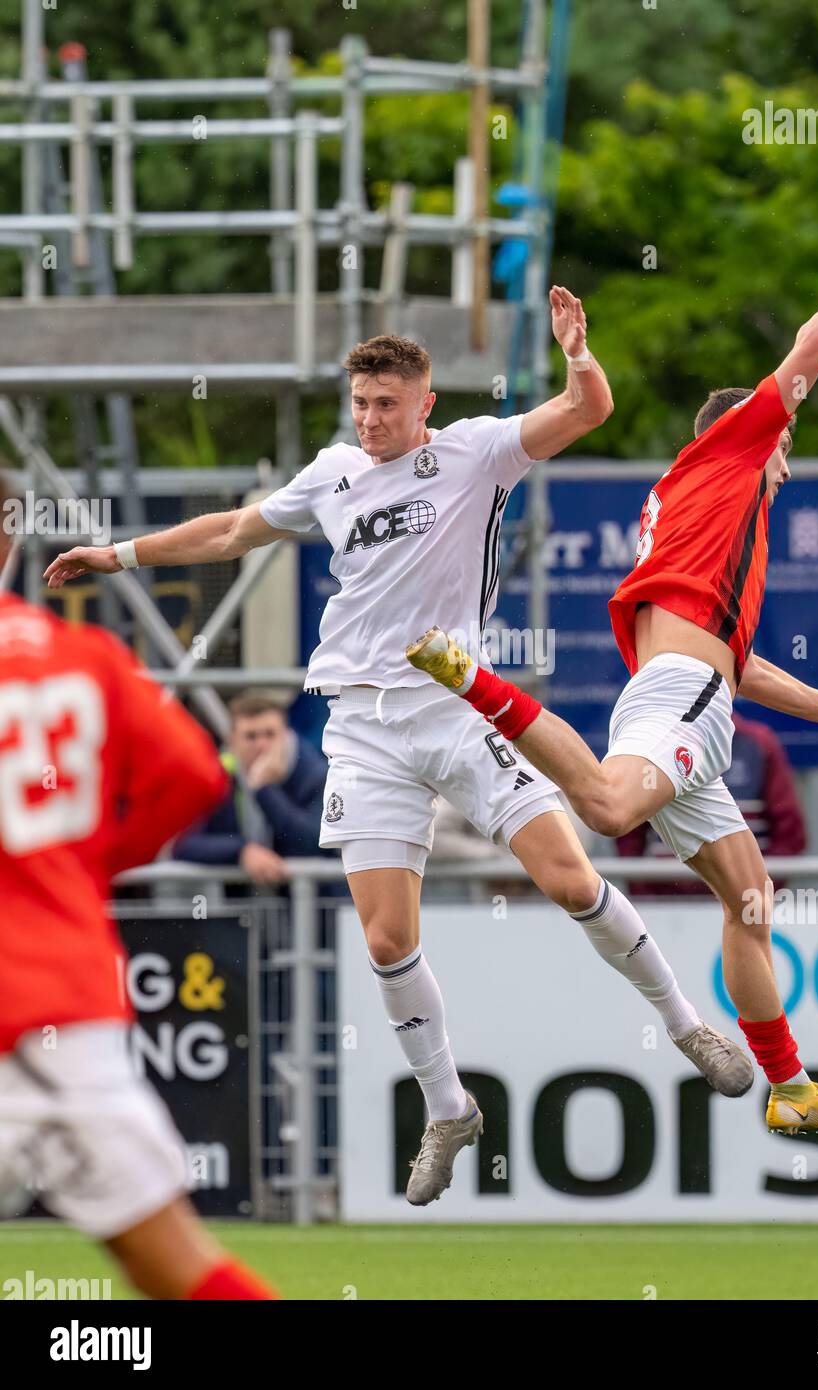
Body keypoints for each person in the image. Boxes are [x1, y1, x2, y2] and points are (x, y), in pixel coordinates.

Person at [44, 287, 752, 1211]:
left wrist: (579, 354)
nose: (371, 419)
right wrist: (120, 554)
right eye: (362, 403)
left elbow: (589, 412)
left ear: (426, 405)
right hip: (363, 725)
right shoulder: (334, 475)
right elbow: (229, 530)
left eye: (388, 404)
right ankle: (447, 1106)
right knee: (385, 937)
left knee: (571, 880)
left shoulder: (475, 453)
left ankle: (688, 1024)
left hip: (458, 706)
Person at [409, 250, 818, 1138]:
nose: (785, 463)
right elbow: (809, 355)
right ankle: (471, 676)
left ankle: (788, 1088)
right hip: (680, 699)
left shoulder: (696, 511)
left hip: (692, 695)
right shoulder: (732, 456)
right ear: (756, 434)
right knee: (604, 806)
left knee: (751, 900)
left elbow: (733, 663)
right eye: (783, 443)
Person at [0, 481, 276, 1299]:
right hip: (60, 1001)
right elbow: (195, 774)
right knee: (178, 1267)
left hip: (37, 1007)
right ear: (8, 544)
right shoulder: (83, 658)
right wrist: (91, 869)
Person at [616, 709, 807, 897]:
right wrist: (647, 893)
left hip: (742, 897)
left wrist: (756, 892)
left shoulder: (759, 743)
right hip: (671, 899)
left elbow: (789, 832)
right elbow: (630, 830)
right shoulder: (655, 747)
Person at [173, 690, 335, 889]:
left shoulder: (314, 774)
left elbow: (314, 842)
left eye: (270, 734)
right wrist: (242, 851)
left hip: (309, 905)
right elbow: (183, 844)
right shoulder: (219, 776)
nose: (262, 745)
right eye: (251, 736)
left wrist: (264, 789)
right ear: (232, 742)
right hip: (244, 907)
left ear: (287, 735)